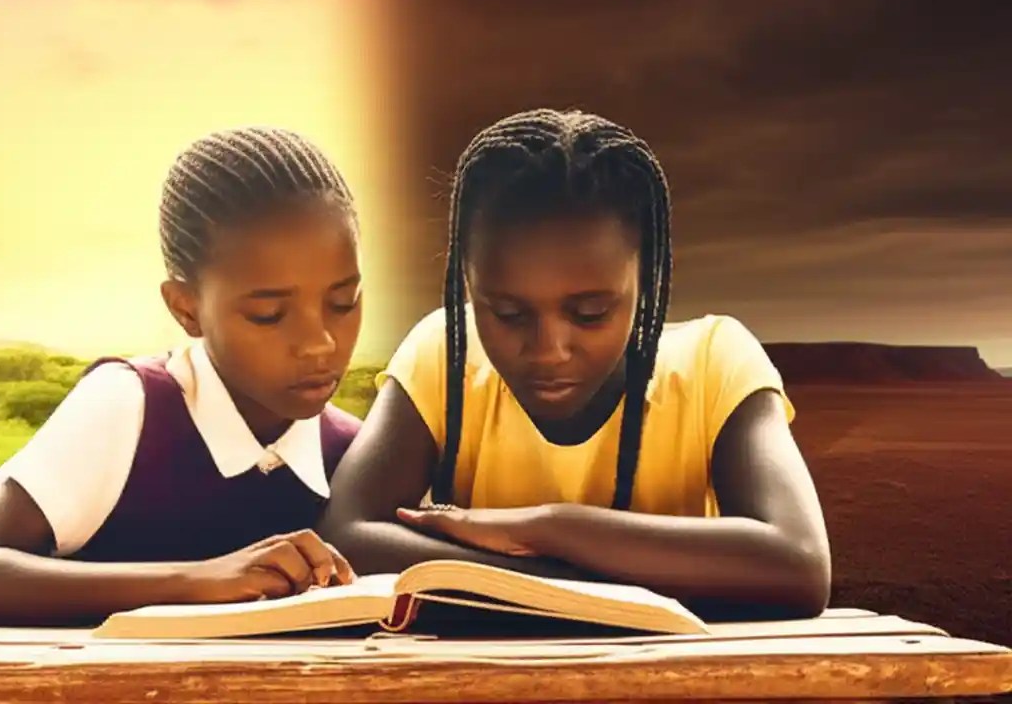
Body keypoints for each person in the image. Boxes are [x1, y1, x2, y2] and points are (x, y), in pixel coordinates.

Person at [318, 109, 831, 620]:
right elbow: (347, 536)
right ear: (466, 283)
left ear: (646, 275)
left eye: (590, 313)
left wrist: (545, 528)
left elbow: (800, 565)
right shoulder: (446, 353)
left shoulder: (715, 362)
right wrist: (605, 583)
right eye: (508, 314)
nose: (548, 350)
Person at [0, 126, 364, 626]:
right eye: (268, 314)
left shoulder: (356, 451)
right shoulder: (131, 406)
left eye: (343, 303)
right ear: (186, 308)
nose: (320, 343)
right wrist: (197, 581)